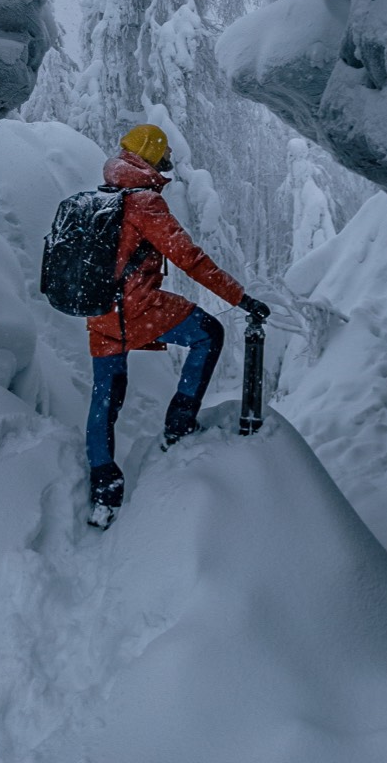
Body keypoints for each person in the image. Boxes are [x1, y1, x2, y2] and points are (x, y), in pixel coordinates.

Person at [86, 123, 269, 522]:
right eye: (164, 154)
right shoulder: (144, 202)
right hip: (136, 309)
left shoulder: (106, 194)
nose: (169, 161)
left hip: (100, 311)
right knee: (209, 333)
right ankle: (179, 422)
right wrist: (241, 298)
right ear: (152, 155)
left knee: (106, 395)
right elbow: (191, 259)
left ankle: (104, 488)